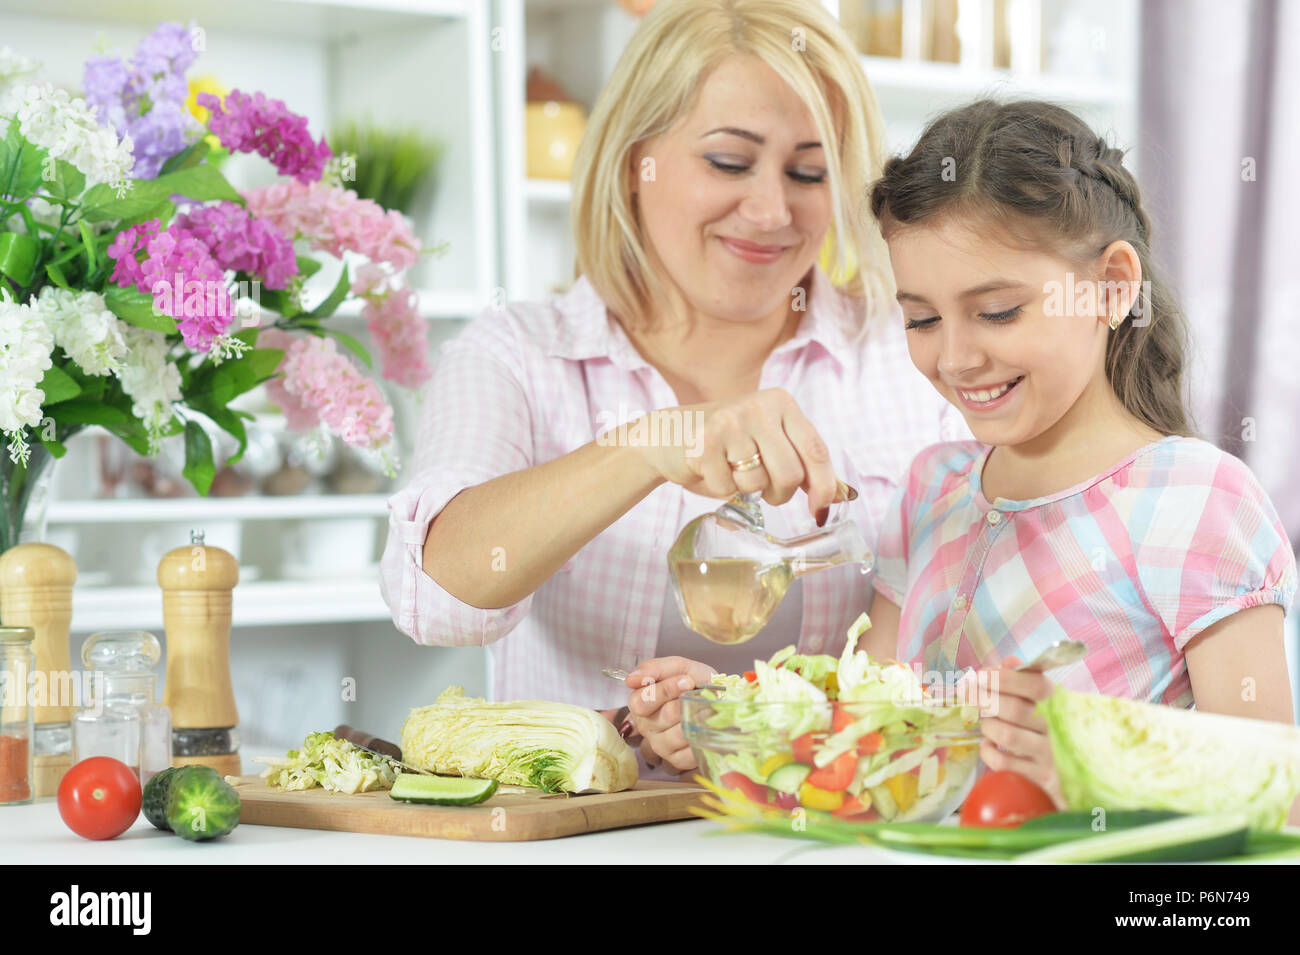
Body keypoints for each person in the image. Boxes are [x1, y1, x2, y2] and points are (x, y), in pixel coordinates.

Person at [378, 0, 966, 776]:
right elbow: (437, 600)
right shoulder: (518, 355)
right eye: (728, 162)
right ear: (634, 160)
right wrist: (650, 445)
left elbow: (972, 632)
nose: (771, 211)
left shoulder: (909, 352)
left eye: (809, 172)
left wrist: (770, 723)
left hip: (826, 822)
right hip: (585, 828)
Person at [858, 98, 1298, 808]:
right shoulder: (931, 488)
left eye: (998, 311)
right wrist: (734, 716)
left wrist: (1093, 763)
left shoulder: (1194, 498)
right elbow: (860, 726)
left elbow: (1280, 792)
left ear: (1113, 287)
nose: (956, 357)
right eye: (922, 319)